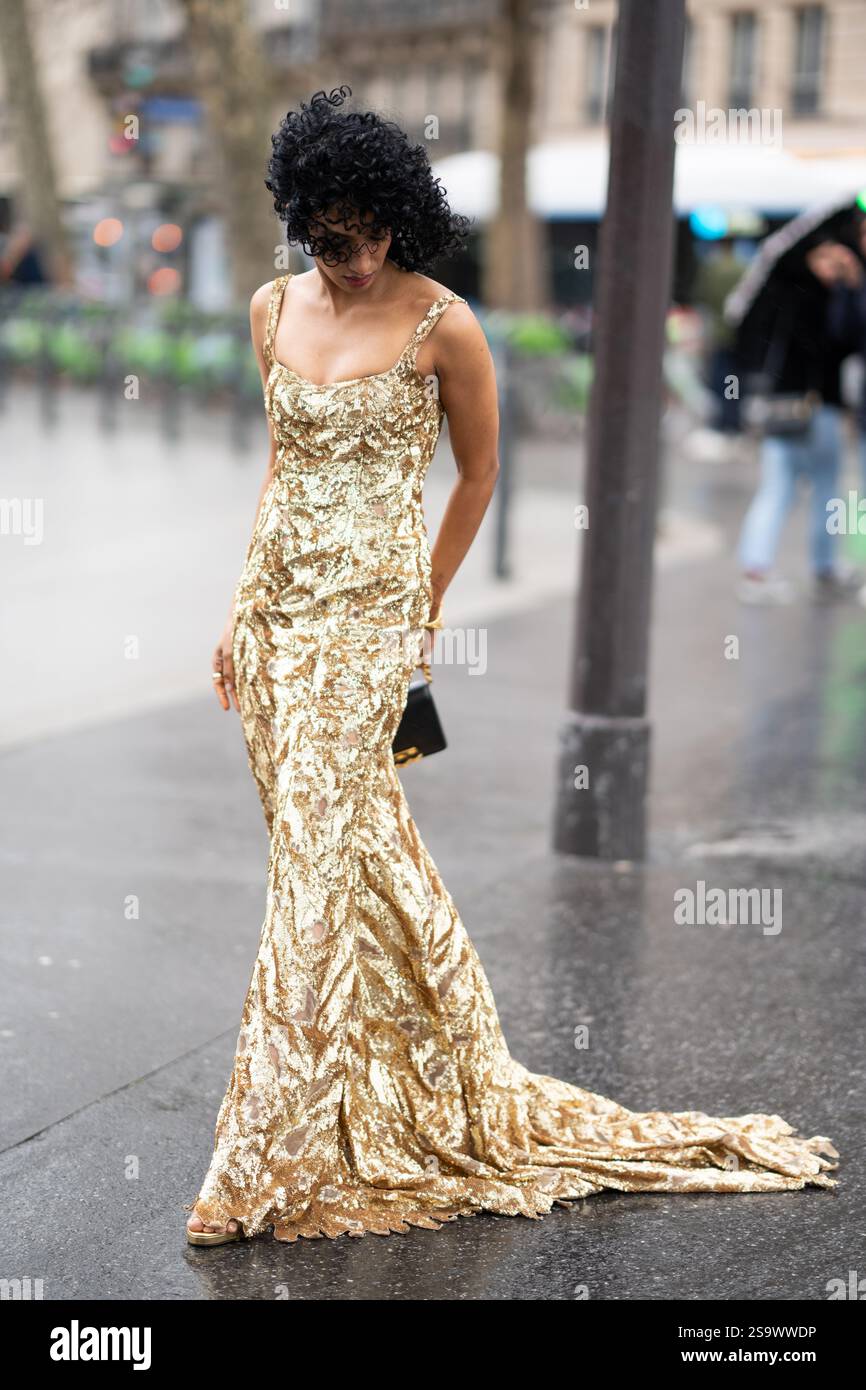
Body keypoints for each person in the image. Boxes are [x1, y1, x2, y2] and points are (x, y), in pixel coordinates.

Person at [185, 87, 837, 1246]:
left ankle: (268, 1155)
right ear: (300, 222)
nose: (349, 261)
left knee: (316, 880)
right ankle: (414, 1078)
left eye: (369, 236)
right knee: (351, 863)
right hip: (280, 624)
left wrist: (422, 610)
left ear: (398, 217)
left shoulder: (447, 325)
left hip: (369, 624)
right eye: (327, 240)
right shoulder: (269, 307)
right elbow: (280, 473)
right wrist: (239, 609)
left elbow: (478, 474)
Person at [735, 234, 860, 604]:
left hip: (783, 406)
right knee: (821, 488)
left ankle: (757, 568)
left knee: (780, 487)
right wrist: (850, 285)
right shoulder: (824, 300)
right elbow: (845, 342)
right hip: (813, 405)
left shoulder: (780, 292)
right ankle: (819, 566)